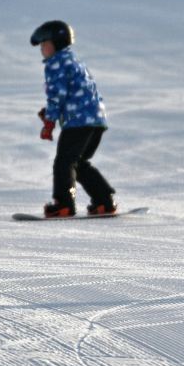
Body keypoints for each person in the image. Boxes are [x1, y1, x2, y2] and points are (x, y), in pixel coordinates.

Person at [30, 20, 116, 218]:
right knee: (79, 162)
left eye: (45, 44)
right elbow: (75, 94)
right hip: (96, 120)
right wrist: (52, 112)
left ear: (57, 44)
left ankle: (64, 203)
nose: (42, 50)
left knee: (64, 163)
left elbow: (57, 95)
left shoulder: (56, 64)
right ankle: (104, 201)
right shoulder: (73, 61)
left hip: (78, 122)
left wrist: (50, 121)